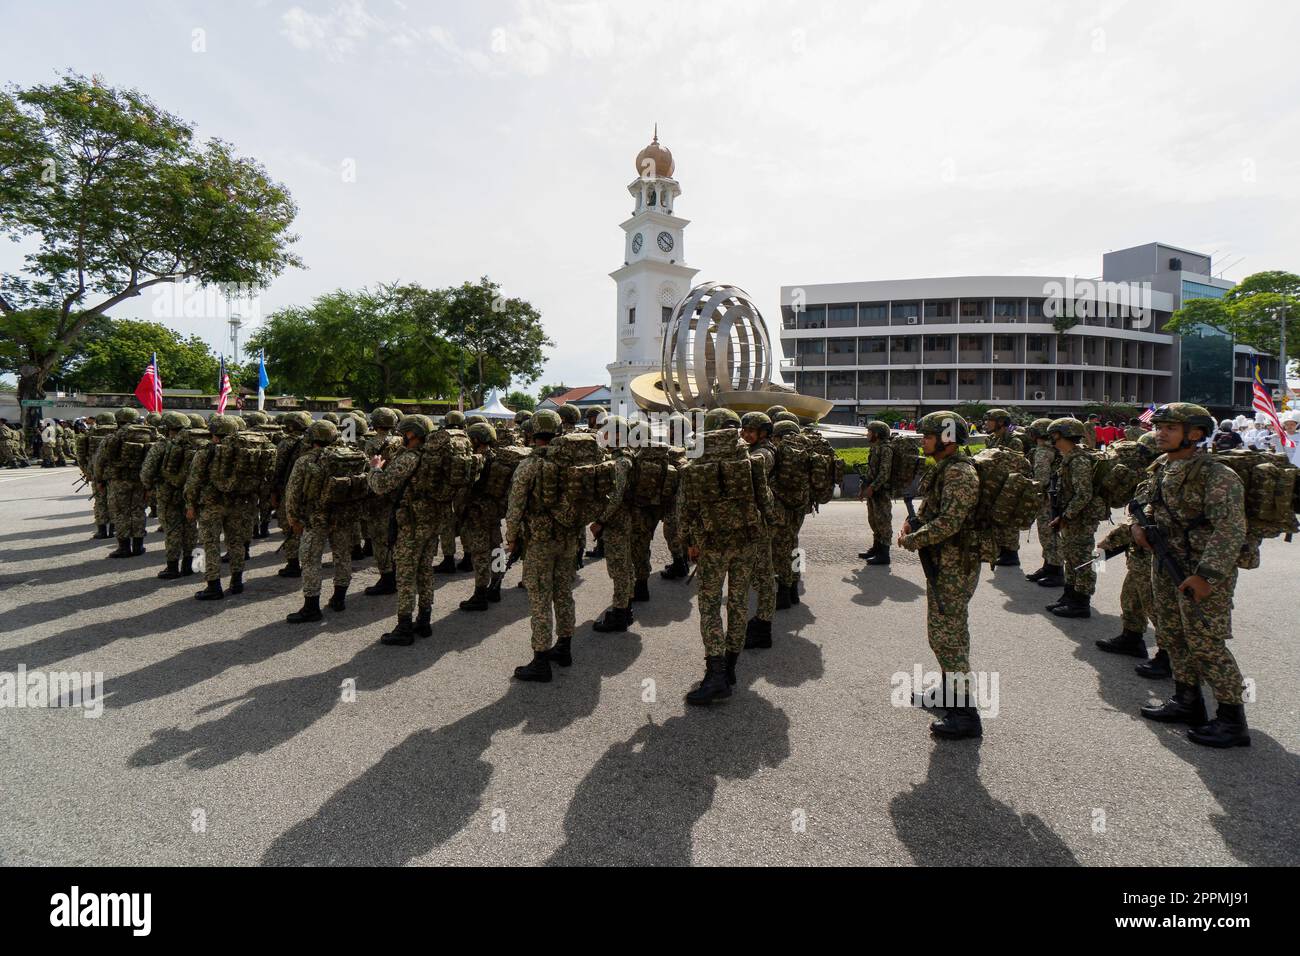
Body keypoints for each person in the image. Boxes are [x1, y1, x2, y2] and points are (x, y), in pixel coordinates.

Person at [1136, 403, 1251, 748]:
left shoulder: (1217, 475)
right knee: (1172, 636)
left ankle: (1232, 721)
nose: (1161, 433)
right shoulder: (1162, 467)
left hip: (1202, 572)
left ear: (1196, 433)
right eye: (1160, 427)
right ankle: (1188, 702)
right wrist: (1137, 528)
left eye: (1170, 428)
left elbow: (1230, 530)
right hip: (1167, 565)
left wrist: (1208, 576)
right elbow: (1143, 504)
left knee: (1206, 645)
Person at [897, 411, 983, 739]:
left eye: (928, 435)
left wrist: (913, 539)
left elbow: (950, 522)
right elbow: (931, 510)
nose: (923, 440)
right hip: (944, 562)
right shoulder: (945, 469)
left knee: (950, 638)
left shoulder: (960, 473)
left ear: (946, 438)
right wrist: (912, 522)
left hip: (954, 565)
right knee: (942, 634)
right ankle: (949, 694)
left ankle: (965, 715)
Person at [678, 407, 768, 704]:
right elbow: (764, 499)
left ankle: (715, 674)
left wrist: (689, 541)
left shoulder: (695, 454)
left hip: (711, 543)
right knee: (739, 603)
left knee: (710, 606)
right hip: (746, 540)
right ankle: (729, 669)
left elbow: (685, 508)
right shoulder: (748, 456)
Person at [505, 408, 579, 681]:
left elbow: (515, 506)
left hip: (539, 542)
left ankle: (540, 661)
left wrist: (511, 538)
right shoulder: (571, 463)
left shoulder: (529, 466)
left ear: (532, 433)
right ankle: (564, 648)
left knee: (539, 600)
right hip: (568, 539)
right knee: (563, 594)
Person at [1094, 432, 1167, 675]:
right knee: (1131, 598)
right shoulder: (1151, 478)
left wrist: (1107, 544)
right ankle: (1131, 638)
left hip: (1152, 557)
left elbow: (1138, 523)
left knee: (1156, 607)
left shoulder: (1162, 480)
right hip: (1139, 556)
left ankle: (1169, 656)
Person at [367, 415, 439, 645]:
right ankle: (425, 620)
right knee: (425, 571)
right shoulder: (434, 457)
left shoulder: (409, 458)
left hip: (411, 524)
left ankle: (404, 626)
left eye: (405, 432)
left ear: (413, 434)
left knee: (406, 575)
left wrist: (375, 469)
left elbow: (381, 485)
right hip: (432, 520)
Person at [284, 420, 356, 623]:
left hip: (315, 517)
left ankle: (311, 607)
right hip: (342, 516)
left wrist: (293, 519)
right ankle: (339, 598)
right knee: (342, 556)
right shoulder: (349, 456)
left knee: (309, 560)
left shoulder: (306, 460)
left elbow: (293, 493)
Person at [1045, 417, 1106, 618]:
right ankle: (1070, 596)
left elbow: (1084, 494)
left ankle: (1082, 602)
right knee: (1070, 556)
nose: (1052, 439)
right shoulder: (1069, 456)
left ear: (1063, 435)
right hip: (1073, 517)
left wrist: (1066, 516)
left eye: (1054, 435)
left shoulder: (1078, 460)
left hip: (1082, 517)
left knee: (1084, 559)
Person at [186, 415, 247, 600]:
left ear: (214, 433)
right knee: (236, 542)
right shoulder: (244, 452)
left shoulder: (205, 452)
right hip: (236, 503)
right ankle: (237, 582)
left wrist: (191, 504)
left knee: (210, 544)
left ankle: (213, 586)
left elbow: (194, 481)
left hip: (211, 505)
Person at [590, 415, 637, 632]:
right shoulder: (626, 456)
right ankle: (625, 609)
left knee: (619, 569)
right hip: (624, 520)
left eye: (606, 431)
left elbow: (616, 496)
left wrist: (600, 520)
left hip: (617, 522)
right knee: (625, 567)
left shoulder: (620, 461)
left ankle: (619, 613)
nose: (602, 435)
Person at [142, 412, 199, 580]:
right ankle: (189, 566)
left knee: (172, 529)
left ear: (167, 428)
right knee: (190, 528)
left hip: (168, 493)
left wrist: (149, 487)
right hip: (193, 494)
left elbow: (147, 472)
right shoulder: (199, 444)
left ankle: (172, 567)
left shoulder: (162, 446)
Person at [740, 412, 780, 649]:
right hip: (750, 521)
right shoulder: (753, 449)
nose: (745, 434)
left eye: (750, 431)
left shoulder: (765, 452)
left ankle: (763, 627)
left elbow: (755, 467)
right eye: (743, 430)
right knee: (757, 574)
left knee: (764, 576)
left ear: (763, 433)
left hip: (760, 524)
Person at [457, 421, 506, 611]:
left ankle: (480, 595)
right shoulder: (497, 457)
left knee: (480, 555)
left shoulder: (475, 459)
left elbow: (465, 486)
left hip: (477, 512)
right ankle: (496, 587)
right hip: (493, 512)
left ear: (475, 439)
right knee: (497, 549)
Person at [93, 406, 150, 559]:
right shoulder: (149, 436)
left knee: (120, 513)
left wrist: (99, 480)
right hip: (140, 480)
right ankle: (138, 545)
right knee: (138, 510)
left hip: (118, 481)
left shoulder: (113, 437)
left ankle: (124, 547)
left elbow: (100, 461)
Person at [361, 408, 403, 597]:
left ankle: (387, 578)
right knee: (395, 537)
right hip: (397, 494)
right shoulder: (400, 441)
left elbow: (369, 468)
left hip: (378, 495)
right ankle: (396, 573)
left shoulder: (371, 443)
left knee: (379, 539)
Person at [271, 411, 312, 578]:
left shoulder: (286, 443)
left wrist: (273, 492)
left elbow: (277, 470)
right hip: (310, 491)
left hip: (290, 489)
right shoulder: (312, 443)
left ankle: (293, 563)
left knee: (289, 525)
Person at [1023, 418, 1063, 587]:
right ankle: (1048, 566)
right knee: (1050, 534)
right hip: (1054, 497)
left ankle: (1056, 570)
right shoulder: (1054, 449)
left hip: (1047, 499)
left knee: (1049, 534)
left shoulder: (1042, 451)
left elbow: (1041, 478)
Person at [981, 409, 1024, 567]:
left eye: (990, 420)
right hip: (994, 484)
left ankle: (1011, 553)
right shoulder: (992, 439)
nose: (986, 423)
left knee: (1008, 520)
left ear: (1000, 422)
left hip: (1008, 485)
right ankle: (999, 550)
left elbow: (1016, 464)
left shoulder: (1013, 441)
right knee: (995, 520)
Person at [858, 420, 895, 565]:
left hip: (882, 492)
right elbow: (871, 471)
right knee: (874, 520)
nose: (867, 434)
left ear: (877, 434)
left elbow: (884, 473)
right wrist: (864, 488)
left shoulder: (886, 449)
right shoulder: (875, 448)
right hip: (874, 491)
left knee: (883, 521)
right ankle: (876, 549)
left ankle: (884, 555)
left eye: (869, 432)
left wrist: (872, 488)